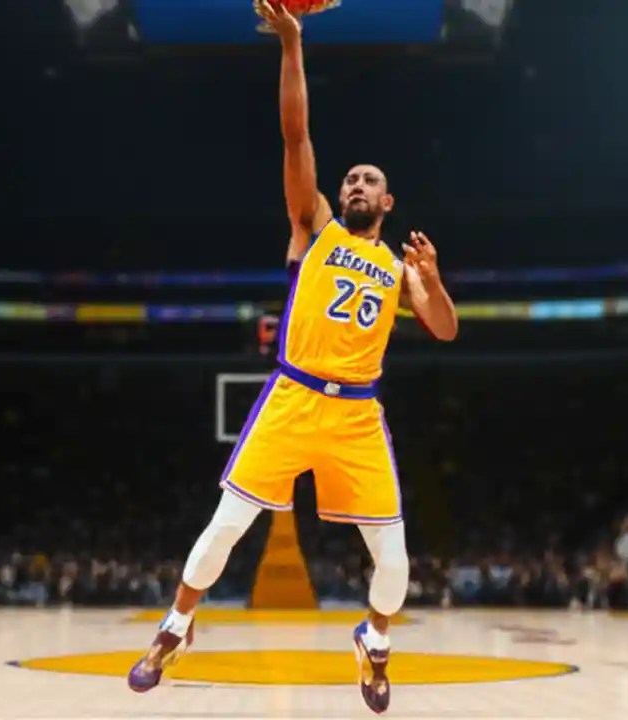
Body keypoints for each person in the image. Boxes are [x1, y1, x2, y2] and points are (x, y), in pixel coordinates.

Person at [127, 1, 458, 713]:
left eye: (368, 181)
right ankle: (175, 626)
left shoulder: (400, 269)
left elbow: (444, 328)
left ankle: (373, 642)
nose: (356, 186)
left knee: (396, 564)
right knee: (224, 527)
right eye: (350, 181)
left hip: (358, 416)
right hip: (293, 395)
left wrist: (432, 283)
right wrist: (293, 42)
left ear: (389, 199)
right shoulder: (315, 228)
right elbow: (296, 131)